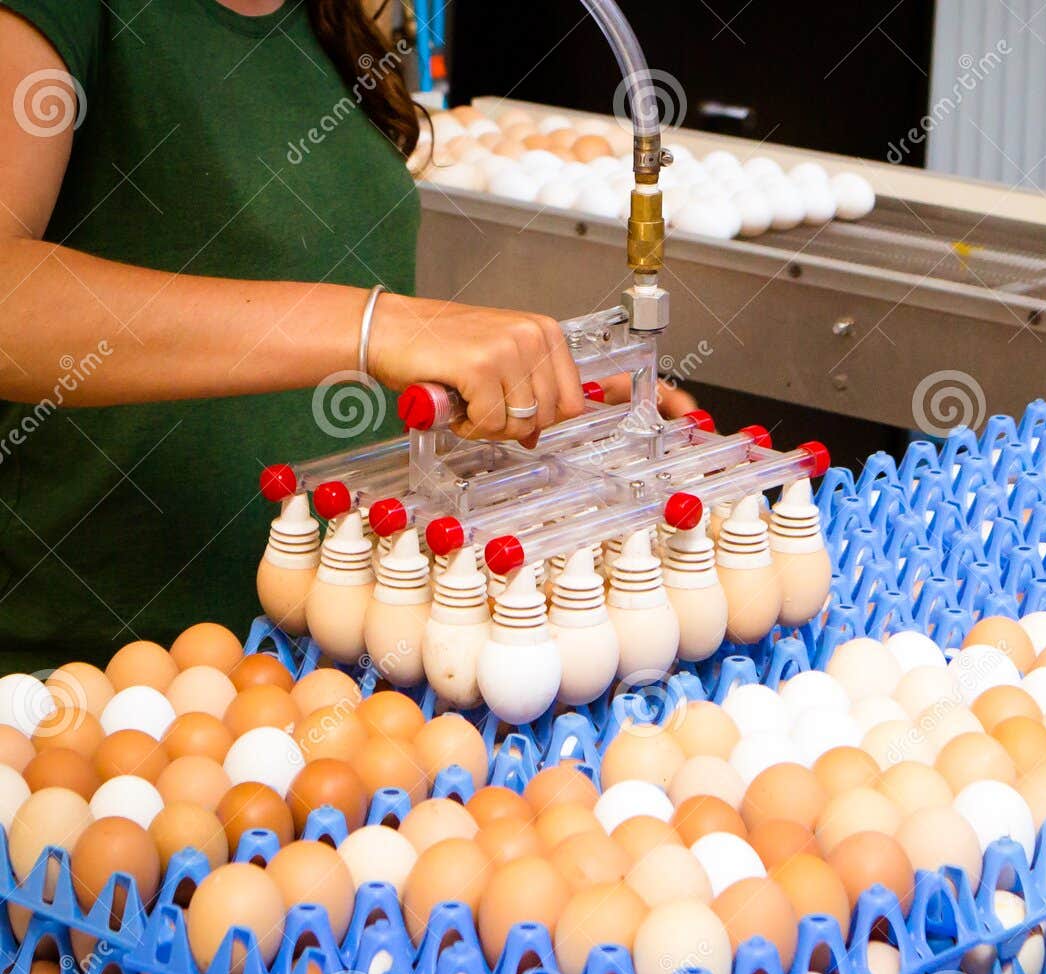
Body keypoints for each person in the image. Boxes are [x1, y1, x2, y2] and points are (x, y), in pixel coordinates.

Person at [0, 0, 687, 672]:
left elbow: (317, 336)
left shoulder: (330, 17)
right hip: (114, 686)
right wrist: (379, 324)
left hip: (339, 654)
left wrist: (511, 403)